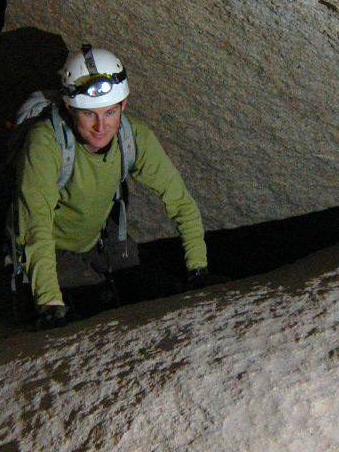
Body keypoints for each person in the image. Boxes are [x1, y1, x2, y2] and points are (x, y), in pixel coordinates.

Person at [12, 44, 209, 328]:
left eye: (110, 112)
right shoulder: (46, 144)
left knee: (155, 290)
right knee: (93, 310)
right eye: (89, 114)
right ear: (70, 108)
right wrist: (50, 303)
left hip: (99, 241)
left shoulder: (133, 136)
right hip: (50, 250)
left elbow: (181, 203)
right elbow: (35, 228)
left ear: (123, 105)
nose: (101, 126)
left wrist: (198, 269)